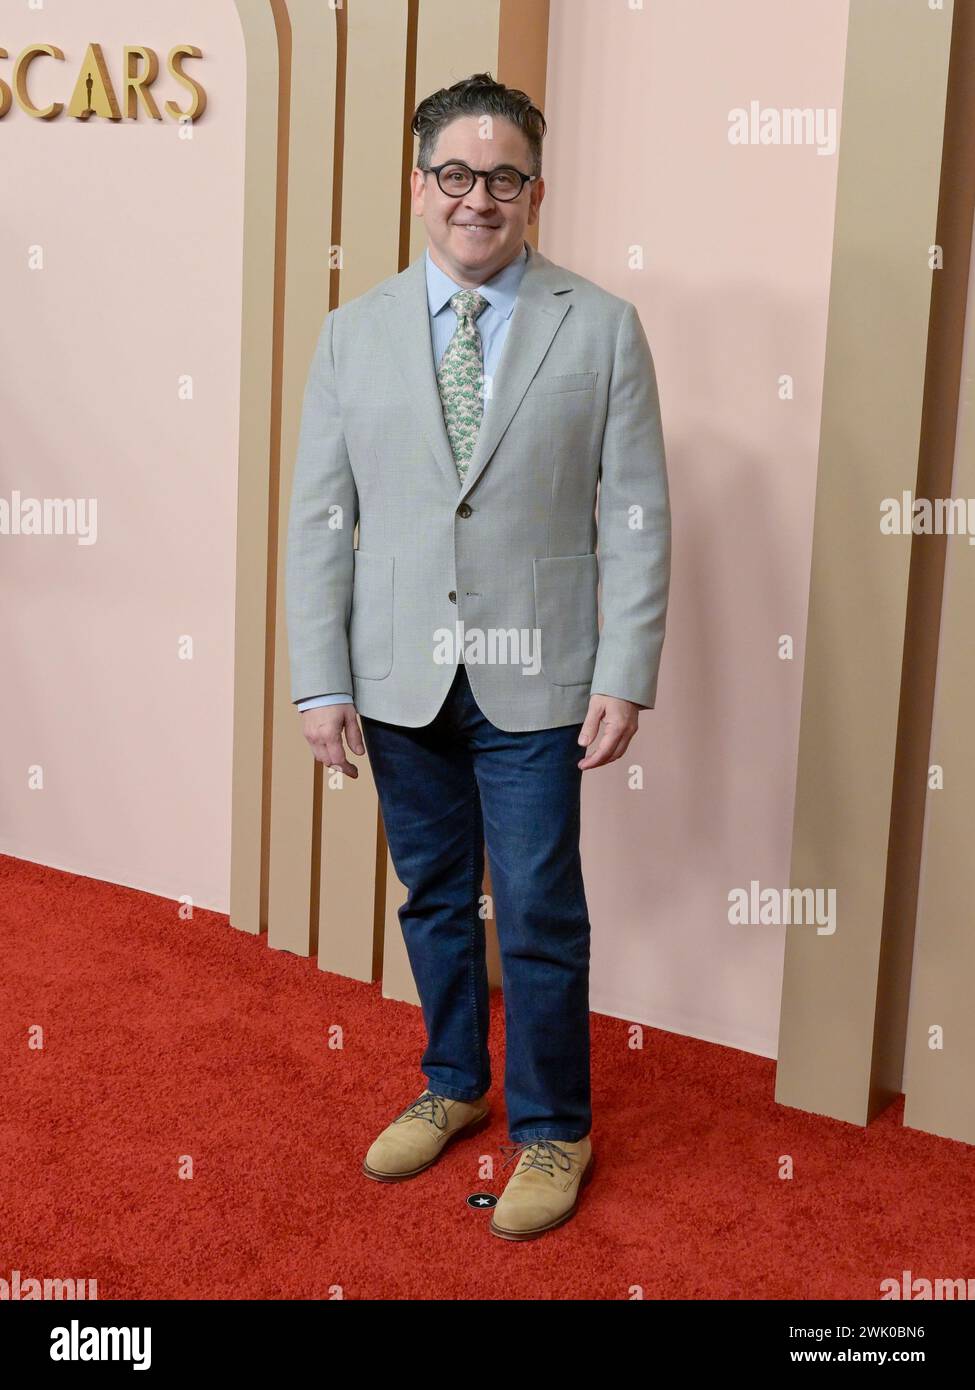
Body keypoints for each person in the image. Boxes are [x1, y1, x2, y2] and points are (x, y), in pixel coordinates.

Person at [285, 72, 671, 1241]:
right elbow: (319, 517)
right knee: (433, 896)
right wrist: (320, 678)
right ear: (419, 186)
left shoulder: (600, 325)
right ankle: (455, 1082)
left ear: (536, 192)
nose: (478, 197)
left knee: (543, 906)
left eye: (504, 178)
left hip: (541, 675)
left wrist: (624, 669)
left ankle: (554, 1128)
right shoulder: (351, 333)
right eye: (456, 174)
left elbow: (638, 511)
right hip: (398, 674)